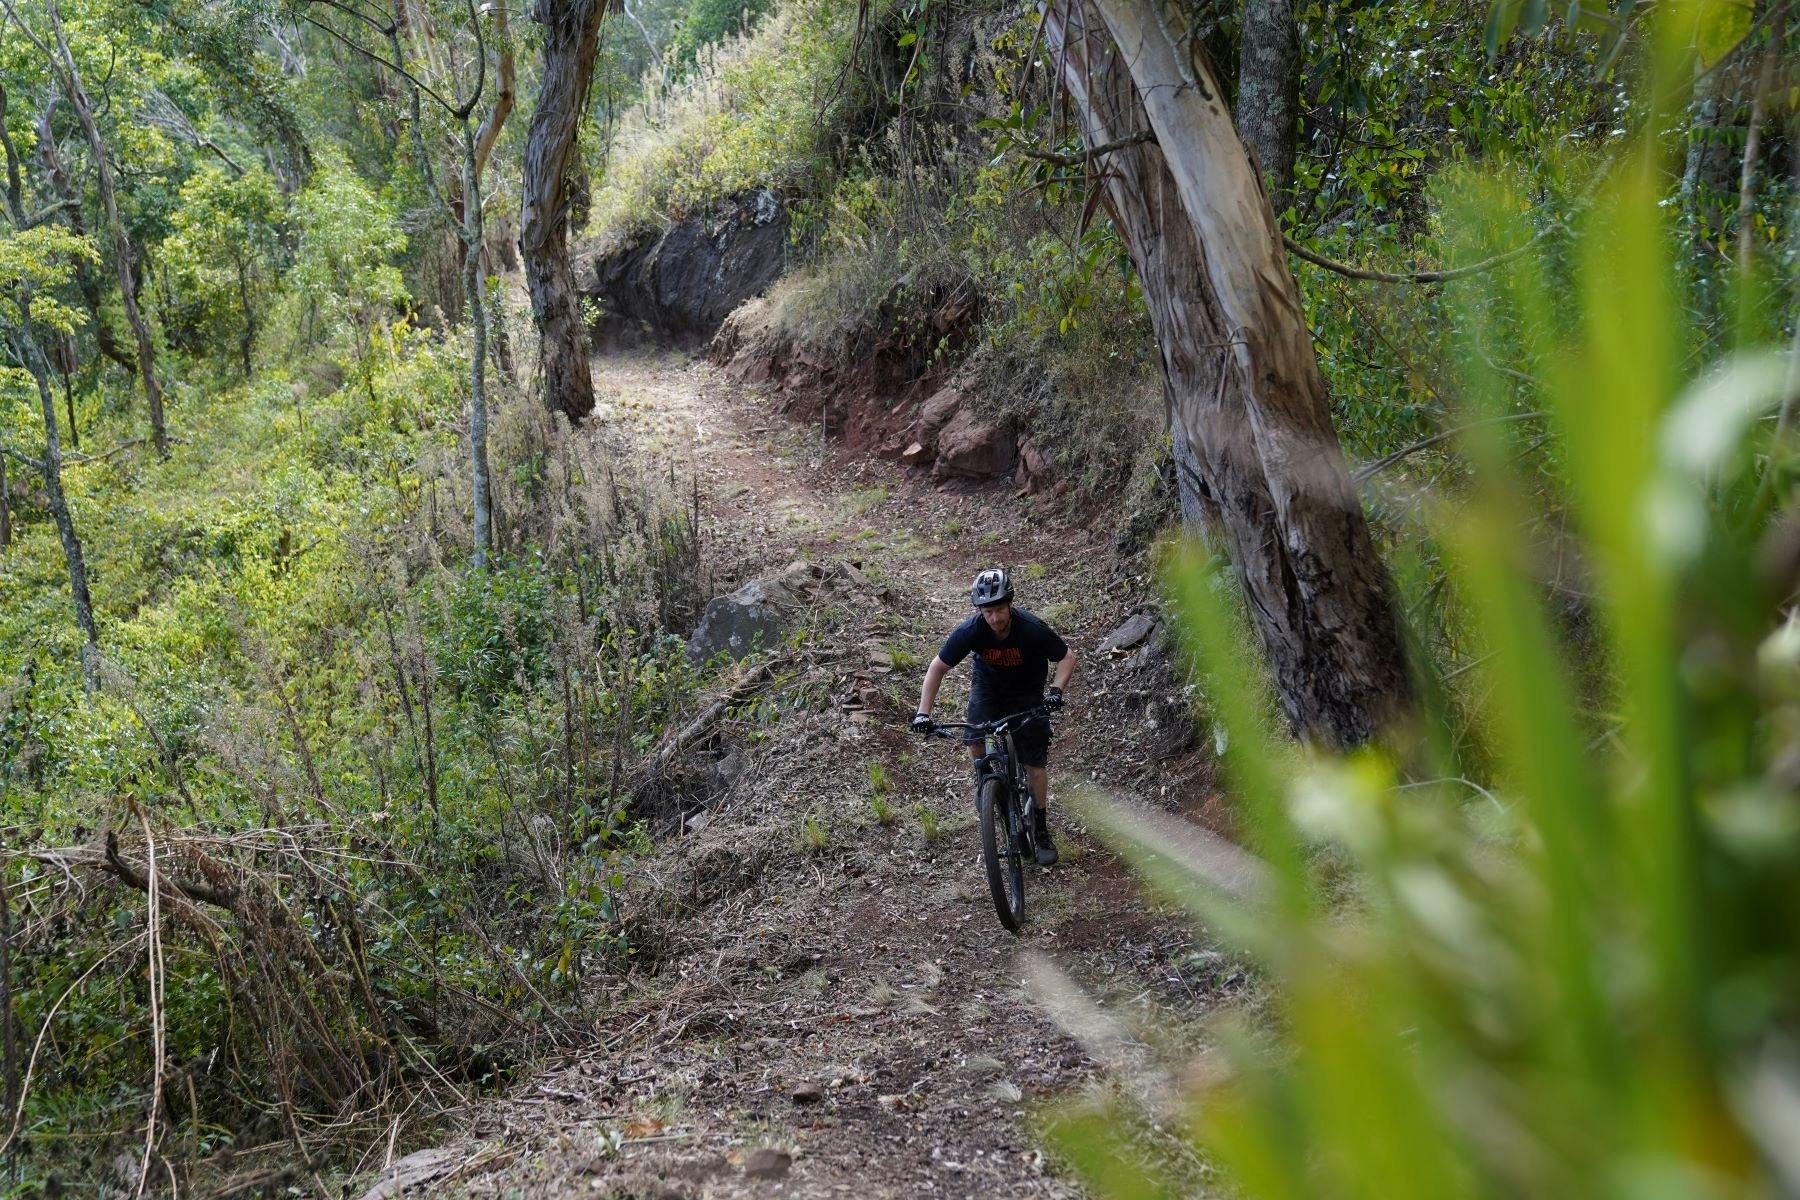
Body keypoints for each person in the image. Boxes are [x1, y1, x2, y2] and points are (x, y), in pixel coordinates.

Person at [912, 567, 1076, 865]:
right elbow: (937, 667)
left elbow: (1067, 658)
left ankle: (1040, 828)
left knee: (1034, 764)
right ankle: (987, 784)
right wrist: (923, 713)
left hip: (1026, 692)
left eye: (999, 610)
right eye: (987, 612)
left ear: (1010, 605)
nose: (995, 619)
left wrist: (1055, 691)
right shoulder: (971, 631)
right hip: (988, 688)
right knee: (974, 738)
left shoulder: (1030, 628)